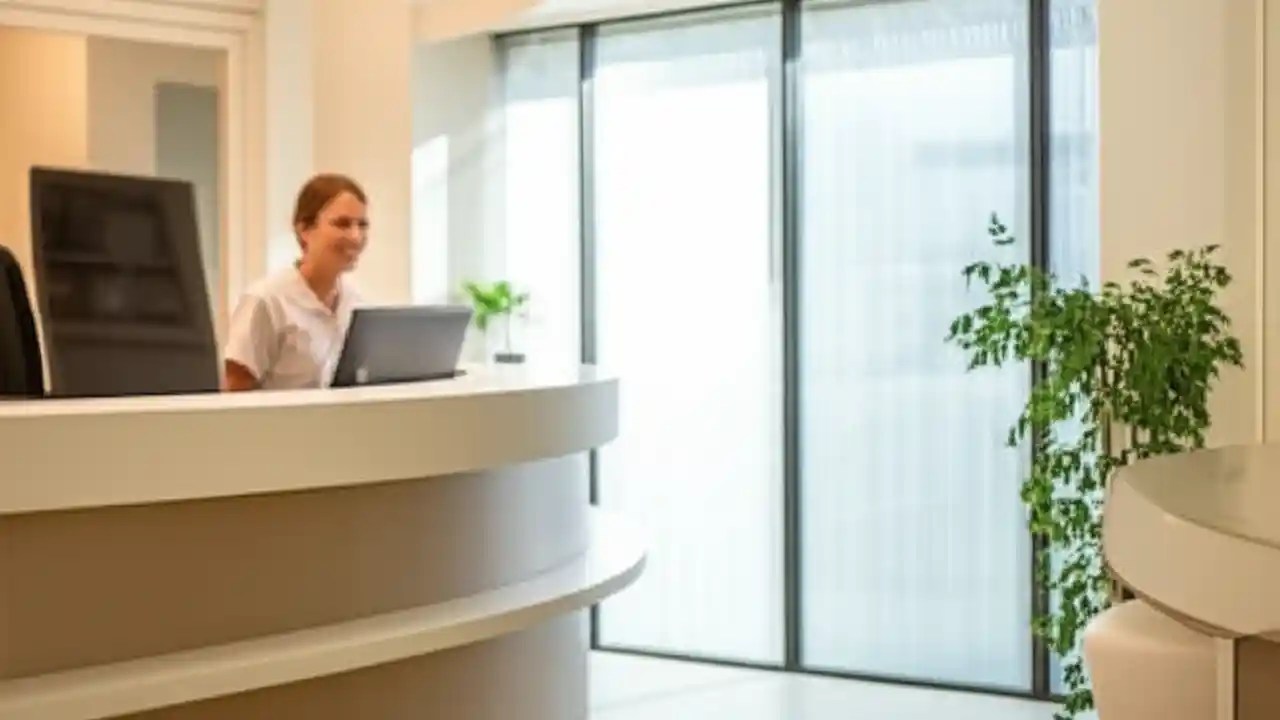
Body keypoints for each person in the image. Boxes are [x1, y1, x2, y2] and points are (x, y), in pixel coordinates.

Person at [223, 173, 368, 391]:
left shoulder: (356, 302)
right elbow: (234, 395)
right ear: (304, 230)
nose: (356, 236)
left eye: (362, 225)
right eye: (342, 224)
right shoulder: (266, 300)